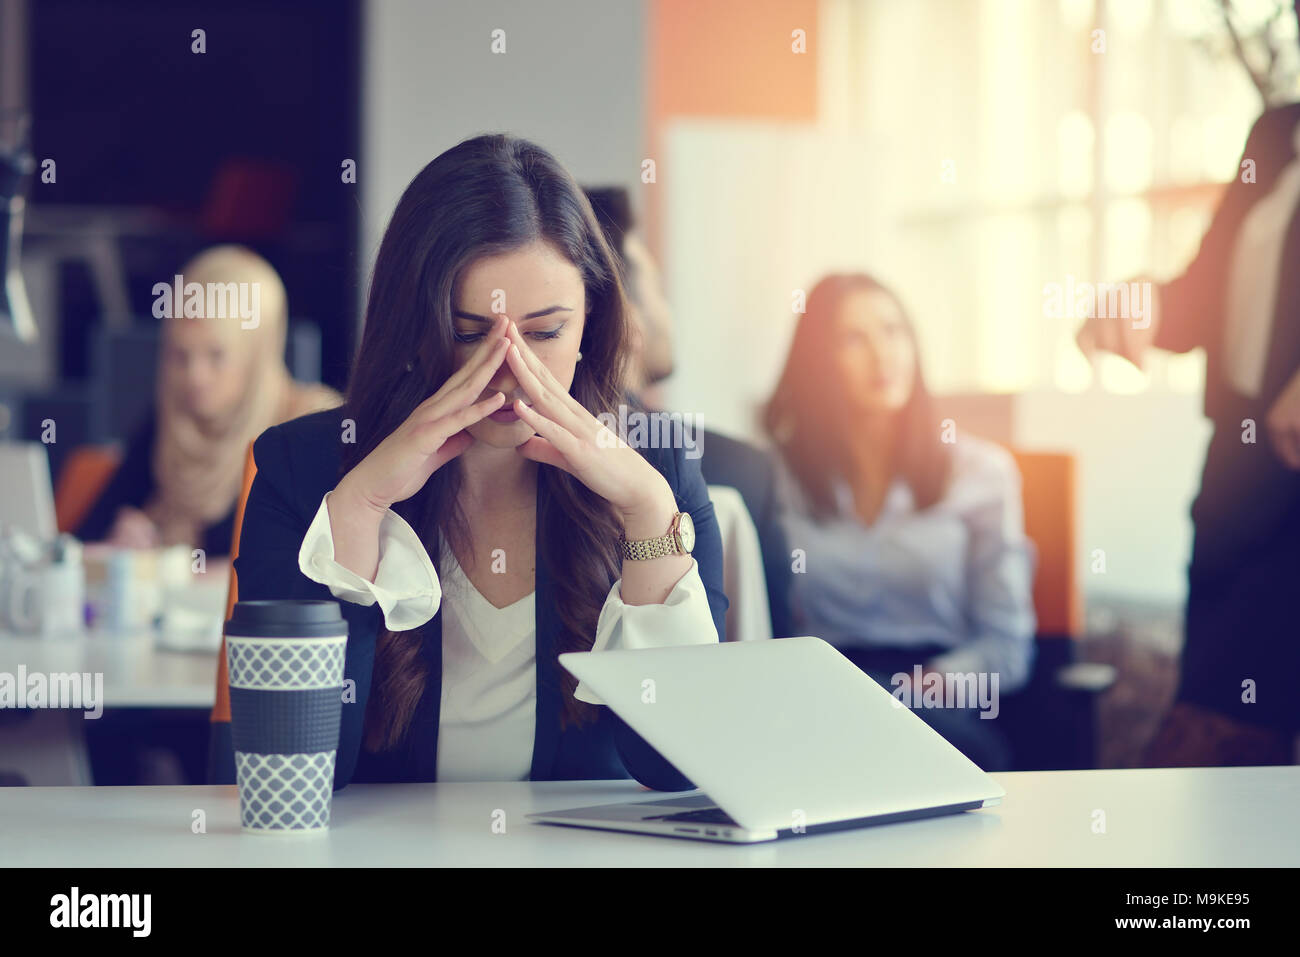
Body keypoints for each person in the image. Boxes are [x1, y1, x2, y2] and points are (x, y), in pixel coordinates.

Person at [224, 134, 728, 790]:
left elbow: (680, 769)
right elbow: (287, 782)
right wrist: (359, 508)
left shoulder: (658, 474)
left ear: (592, 322)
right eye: (469, 333)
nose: (511, 371)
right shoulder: (301, 469)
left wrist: (646, 514)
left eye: (546, 332)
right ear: (413, 327)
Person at [1077, 101, 1300, 766]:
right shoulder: (1275, 130)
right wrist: (1145, 302)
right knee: (1212, 751)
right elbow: (1208, 292)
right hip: (1242, 477)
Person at [764, 273, 1036, 771]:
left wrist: (928, 685)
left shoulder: (982, 472)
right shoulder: (776, 479)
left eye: (894, 331)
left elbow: (1008, 650)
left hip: (937, 696)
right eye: (853, 339)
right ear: (818, 361)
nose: (882, 354)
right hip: (823, 693)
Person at [584, 185, 796, 639]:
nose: (667, 309)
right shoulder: (742, 468)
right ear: (627, 312)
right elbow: (780, 641)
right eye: (656, 285)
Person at [76, 245, 342, 559]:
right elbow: (83, 542)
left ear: (256, 355)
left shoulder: (310, 428)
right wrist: (117, 542)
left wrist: (169, 569)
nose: (195, 376)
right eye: (180, 355)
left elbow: (306, 566)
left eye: (216, 356)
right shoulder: (170, 425)